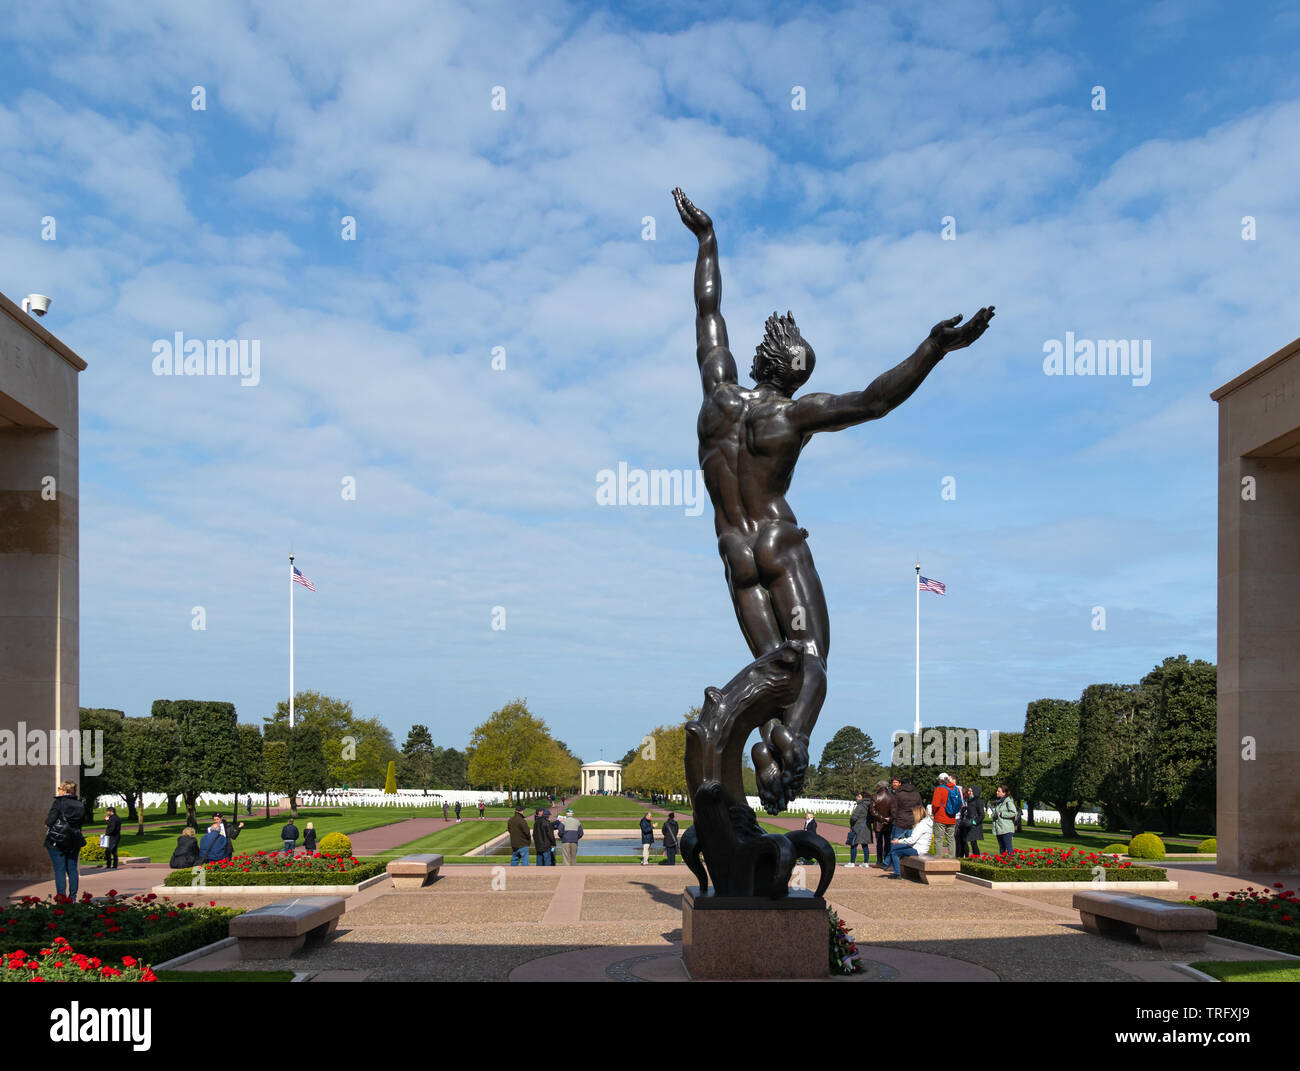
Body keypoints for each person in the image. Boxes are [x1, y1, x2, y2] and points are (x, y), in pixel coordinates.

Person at [673, 187, 994, 812]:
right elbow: (873, 401)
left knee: (773, 667)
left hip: (735, 555)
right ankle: (791, 740)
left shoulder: (717, 397)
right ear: (797, 377)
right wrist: (934, 349)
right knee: (811, 661)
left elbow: (707, 315)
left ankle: (767, 750)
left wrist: (707, 240)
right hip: (778, 545)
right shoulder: (793, 416)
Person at [44, 780, 86, 898]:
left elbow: (50, 820)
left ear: (64, 790)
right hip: (74, 839)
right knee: (72, 869)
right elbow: (82, 821)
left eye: (59, 788)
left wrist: (47, 823)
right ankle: (72, 897)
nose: (58, 790)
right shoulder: (79, 803)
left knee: (60, 870)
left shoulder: (59, 802)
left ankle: (61, 897)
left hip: (58, 839)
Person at [887, 806, 933, 878]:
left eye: (913, 815)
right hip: (919, 847)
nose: (912, 817)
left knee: (895, 852)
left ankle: (897, 873)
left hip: (918, 849)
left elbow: (912, 840)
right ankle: (890, 864)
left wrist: (898, 841)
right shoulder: (925, 823)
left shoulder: (921, 825)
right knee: (895, 847)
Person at [930, 773, 960, 859]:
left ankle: (938, 859)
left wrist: (933, 814)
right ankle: (951, 858)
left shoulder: (939, 789)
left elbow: (935, 804)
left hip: (940, 817)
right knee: (951, 839)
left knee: (939, 839)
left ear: (940, 780)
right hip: (952, 818)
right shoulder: (956, 788)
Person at [871, 780, 894, 869]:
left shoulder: (875, 796)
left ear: (879, 787)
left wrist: (881, 818)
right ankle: (887, 862)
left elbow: (872, 811)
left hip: (878, 823)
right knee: (888, 843)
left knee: (879, 844)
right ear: (887, 787)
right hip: (889, 823)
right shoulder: (892, 797)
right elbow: (894, 810)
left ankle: (879, 861)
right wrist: (889, 818)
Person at [990, 785, 1017, 855]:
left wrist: (1001, 814)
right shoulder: (999, 802)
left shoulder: (1008, 802)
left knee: (1009, 848)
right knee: (1002, 849)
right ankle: (1003, 863)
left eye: (999, 791)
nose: (996, 792)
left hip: (1006, 829)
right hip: (999, 828)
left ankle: (1011, 863)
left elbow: (1014, 813)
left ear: (1004, 793)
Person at [848, 791, 871, 867]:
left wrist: (851, 823)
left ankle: (852, 862)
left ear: (863, 798)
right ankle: (866, 862)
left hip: (858, 827)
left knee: (853, 845)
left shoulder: (860, 806)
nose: (857, 797)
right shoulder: (870, 805)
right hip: (867, 827)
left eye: (859, 796)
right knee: (865, 846)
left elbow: (854, 817)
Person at [962, 786, 984, 857]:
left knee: (973, 843)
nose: (969, 792)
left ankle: (976, 858)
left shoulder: (978, 801)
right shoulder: (969, 800)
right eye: (969, 791)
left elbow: (982, 815)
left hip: (974, 825)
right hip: (968, 824)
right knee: (967, 841)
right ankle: (969, 857)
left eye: (971, 791)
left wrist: (974, 822)